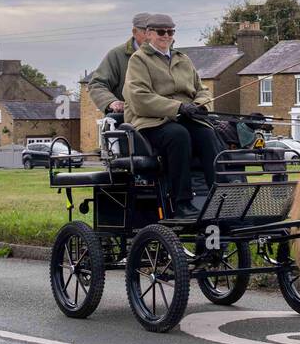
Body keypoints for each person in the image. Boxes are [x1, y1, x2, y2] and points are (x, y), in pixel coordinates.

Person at [123, 13, 219, 218]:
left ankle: (220, 199)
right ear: (149, 34)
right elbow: (139, 98)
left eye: (170, 32)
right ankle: (181, 203)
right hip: (150, 122)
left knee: (207, 134)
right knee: (178, 135)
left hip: (185, 117)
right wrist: (178, 107)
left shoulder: (183, 59)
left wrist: (199, 106)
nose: (166, 36)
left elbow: (202, 90)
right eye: (161, 32)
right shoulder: (139, 60)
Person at [88, 12, 151, 117]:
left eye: (154, 32)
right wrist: (111, 102)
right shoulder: (117, 55)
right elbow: (97, 84)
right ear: (134, 32)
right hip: (129, 116)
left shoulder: (168, 55)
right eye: (146, 32)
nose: (150, 36)